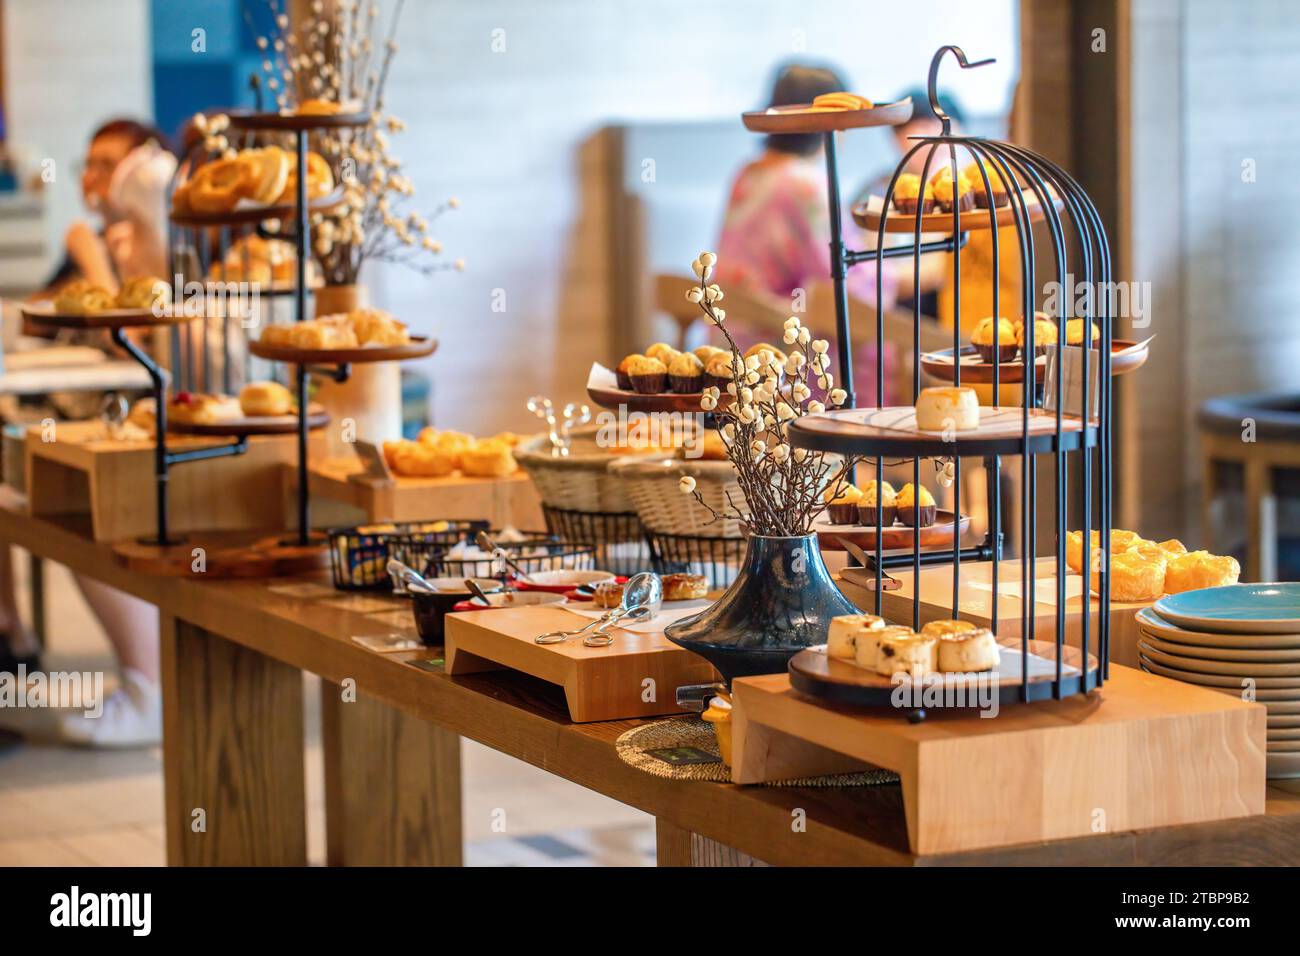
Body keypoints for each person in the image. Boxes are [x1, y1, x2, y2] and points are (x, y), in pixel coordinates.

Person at [713, 62, 895, 399]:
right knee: (880, 342)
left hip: (735, 346)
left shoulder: (748, 174)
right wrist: (882, 254)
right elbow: (850, 291)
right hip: (784, 358)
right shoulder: (806, 186)